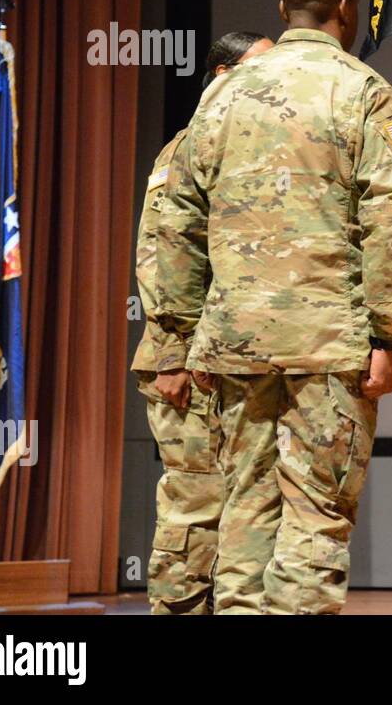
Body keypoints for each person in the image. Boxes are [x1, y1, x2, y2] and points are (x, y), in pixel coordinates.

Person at [155, 0, 392, 614]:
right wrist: (387, 335)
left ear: (283, 10)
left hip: (233, 345)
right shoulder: (364, 93)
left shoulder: (221, 96)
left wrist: (175, 336)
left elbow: (177, 218)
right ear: (347, 9)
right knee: (315, 520)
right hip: (329, 347)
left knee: (245, 512)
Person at [131, 30, 272, 614]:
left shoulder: (253, 152)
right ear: (222, 76)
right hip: (186, 361)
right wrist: (172, 354)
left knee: (245, 512)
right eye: (259, 70)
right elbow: (160, 263)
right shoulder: (189, 150)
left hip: (234, 361)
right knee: (196, 509)